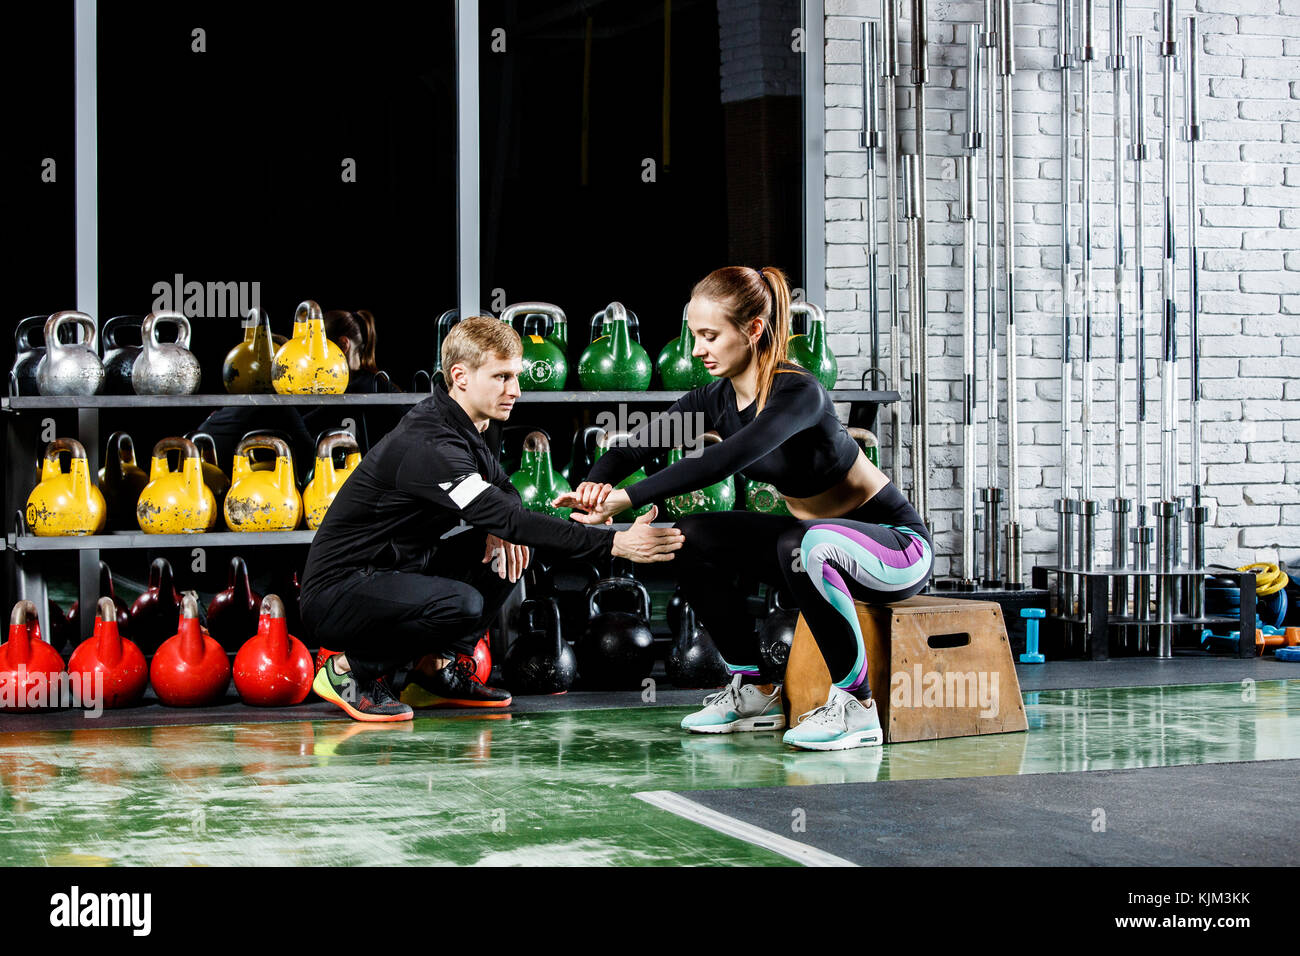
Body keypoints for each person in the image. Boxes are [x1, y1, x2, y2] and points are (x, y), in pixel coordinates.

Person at [556, 266, 933, 751]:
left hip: (894, 549)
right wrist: (591, 488)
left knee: (806, 541)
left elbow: (726, 459)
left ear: (753, 329)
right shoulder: (713, 400)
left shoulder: (799, 393)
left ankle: (857, 709)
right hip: (811, 550)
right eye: (694, 335)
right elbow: (634, 448)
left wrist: (626, 498)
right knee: (685, 538)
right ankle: (753, 687)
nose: (697, 350)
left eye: (710, 336)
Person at [299, 316, 685, 721]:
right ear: (460, 376)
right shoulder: (429, 444)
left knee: (513, 549)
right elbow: (511, 515)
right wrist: (613, 543)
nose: (515, 390)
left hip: (395, 567)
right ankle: (349, 672)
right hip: (340, 590)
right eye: (501, 377)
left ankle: (435, 671)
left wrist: (496, 528)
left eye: (515, 376)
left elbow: (506, 492)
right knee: (462, 602)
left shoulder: (469, 427)